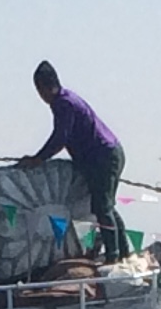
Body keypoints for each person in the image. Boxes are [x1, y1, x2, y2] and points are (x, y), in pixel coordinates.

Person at [28, 61, 128, 259]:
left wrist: (38, 159)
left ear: (44, 88)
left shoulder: (63, 103)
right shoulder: (64, 100)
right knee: (105, 206)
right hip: (107, 153)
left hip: (105, 155)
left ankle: (114, 254)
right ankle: (121, 251)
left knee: (102, 207)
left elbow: (60, 137)